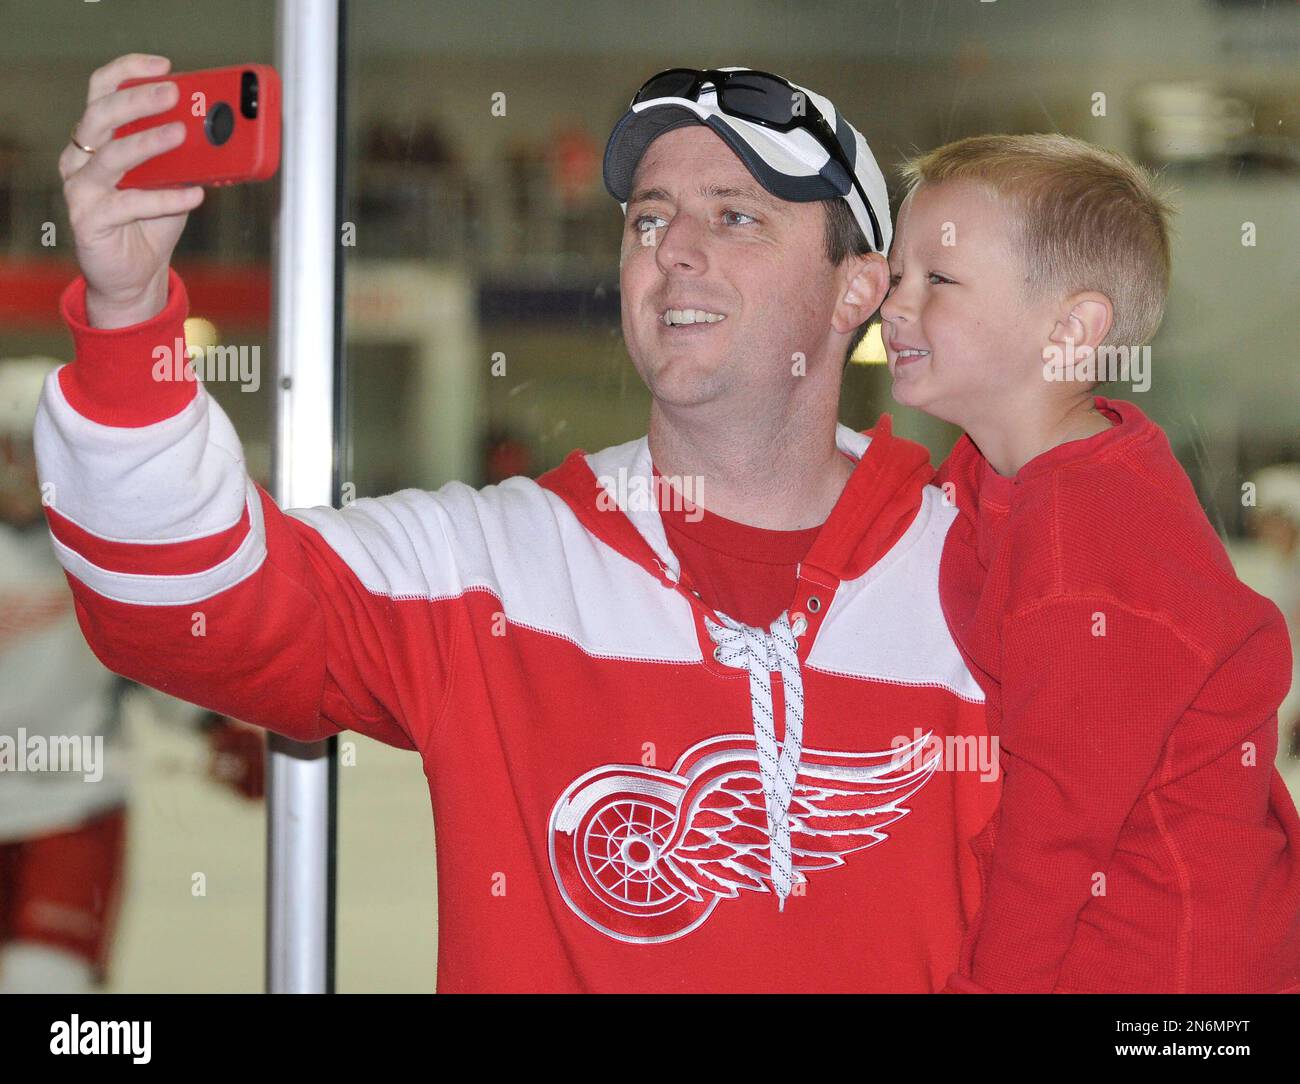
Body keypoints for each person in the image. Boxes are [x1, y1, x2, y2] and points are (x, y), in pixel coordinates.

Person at [38, 56, 998, 993]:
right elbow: (185, 610)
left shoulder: (983, 567)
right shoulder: (490, 567)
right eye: (649, 218)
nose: (671, 249)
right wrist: (128, 316)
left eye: (734, 216)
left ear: (856, 289)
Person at [880, 132, 1300, 992]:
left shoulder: (1088, 547)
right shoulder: (1021, 473)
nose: (893, 306)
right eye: (895, 276)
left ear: (1070, 330)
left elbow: (1053, 840)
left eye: (938, 280)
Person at [0, 355, 263, 993]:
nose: (25, 469)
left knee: (45, 985)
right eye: (13, 449)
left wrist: (215, 729)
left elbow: (148, 657)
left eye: (38, 450)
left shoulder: (101, 552)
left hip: (74, 809)